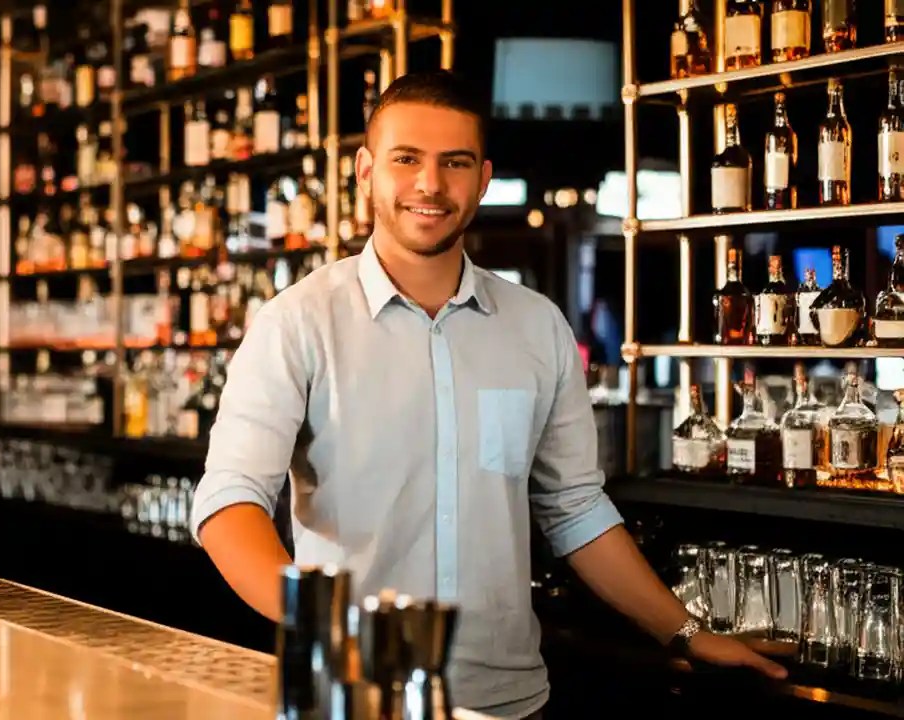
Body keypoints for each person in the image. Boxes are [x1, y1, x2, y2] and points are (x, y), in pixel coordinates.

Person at [188, 70, 786, 719]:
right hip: (354, 697)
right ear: (365, 172)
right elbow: (229, 501)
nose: (430, 184)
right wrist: (327, 628)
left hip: (510, 703)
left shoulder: (536, 327)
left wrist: (690, 634)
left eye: (455, 162)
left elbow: (576, 510)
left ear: (482, 177)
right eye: (406, 159)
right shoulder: (298, 323)